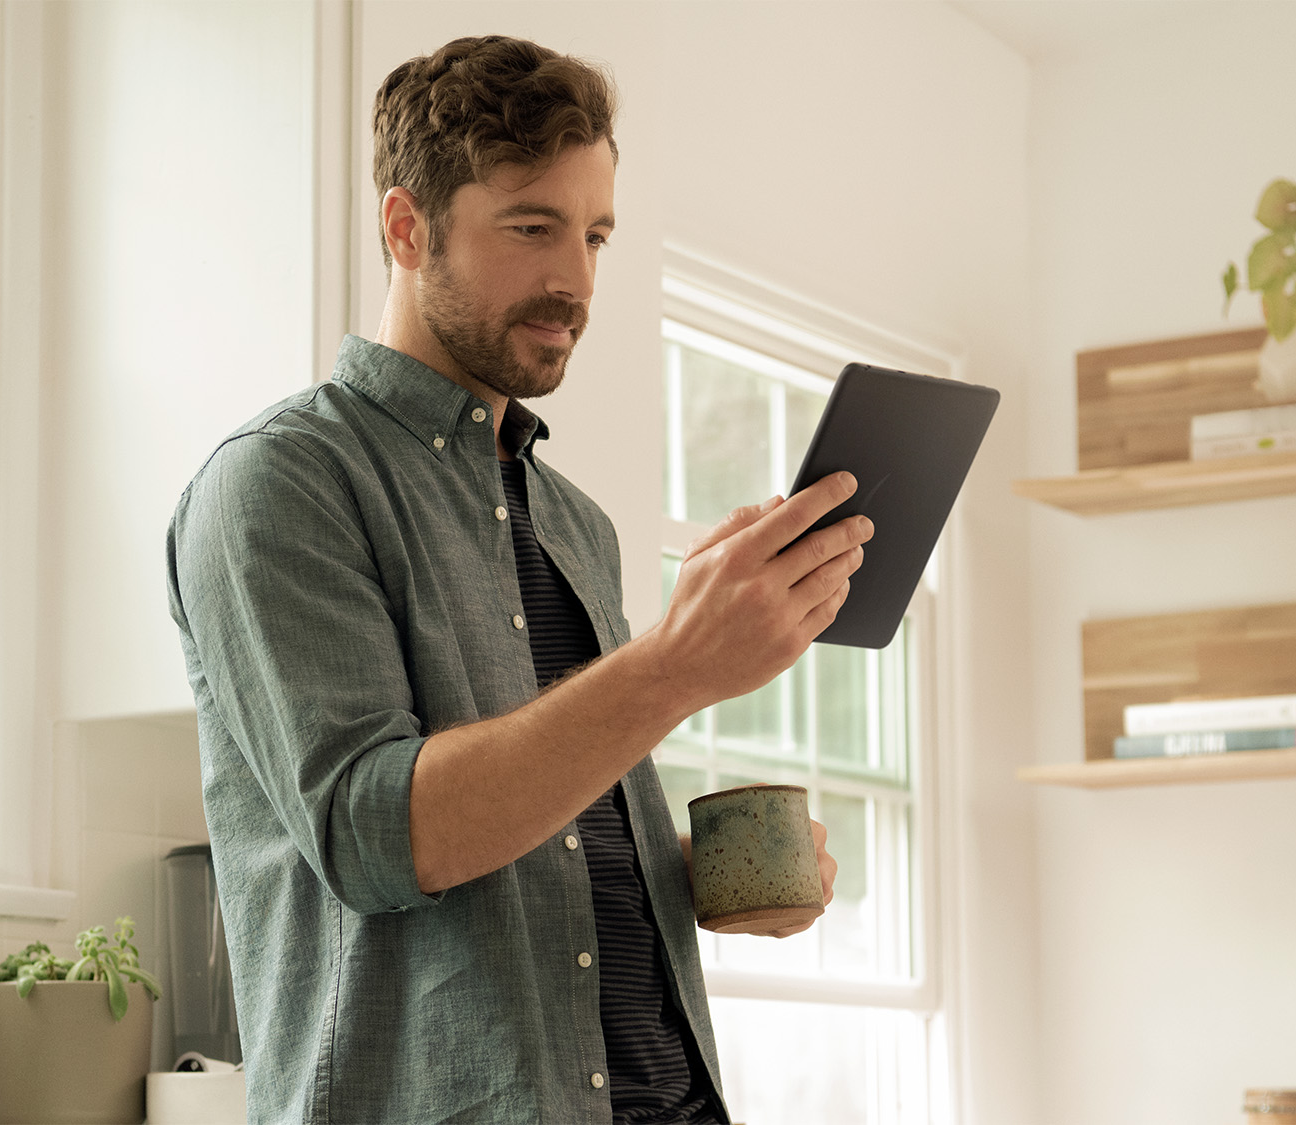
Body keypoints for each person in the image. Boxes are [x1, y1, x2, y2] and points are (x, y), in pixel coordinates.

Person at [165, 33, 871, 1125]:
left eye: (593, 234)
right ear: (407, 228)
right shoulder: (280, 482)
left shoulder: (574, 525)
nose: (575, 280)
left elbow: (540, 829)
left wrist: (688, 874)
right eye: (531, 227)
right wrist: (677, 665)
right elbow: (377, 837)